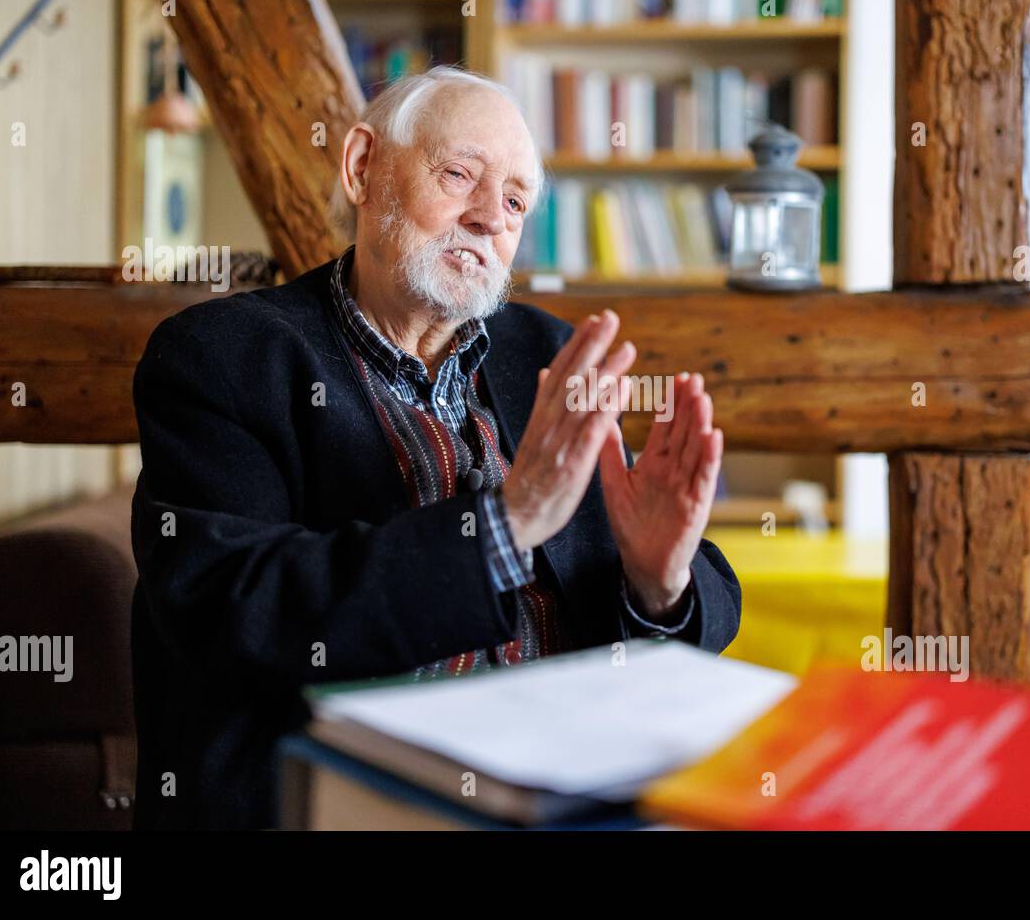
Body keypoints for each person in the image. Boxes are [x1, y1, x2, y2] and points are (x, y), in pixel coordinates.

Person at [129, 66, 741, 829]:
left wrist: (658, 581)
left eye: (516, 201)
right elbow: (234, 607)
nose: (491, 217)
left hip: (557, 794)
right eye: (460, 175)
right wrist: (505, 526)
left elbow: (686, 617)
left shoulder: (549, 356)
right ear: (362, 168)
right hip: (339, 799)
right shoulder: (224, 358)